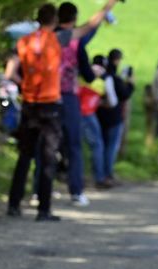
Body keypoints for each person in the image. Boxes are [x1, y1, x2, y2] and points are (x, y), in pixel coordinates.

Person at [53, 0, 118, 208]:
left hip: (45, 96)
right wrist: (109, 6)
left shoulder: (46, 36)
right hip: (69, 97)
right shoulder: (74, 40)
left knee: (45, 145)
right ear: (73, 19)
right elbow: (91, 25)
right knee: (74, 145)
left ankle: (39, 190)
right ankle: (76, 190)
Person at [7, 3, 64, 222]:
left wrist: (25, 86)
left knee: (25, 155)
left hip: (30, 104)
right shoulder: (58, 39)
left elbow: (10, 72)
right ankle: (44, 209)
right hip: (50, 105)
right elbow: (86, 28)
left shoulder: (23, 41)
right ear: (55, 20)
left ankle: (14, 204)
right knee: (48, 157)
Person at [95, 48, 133, 187]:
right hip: (113, 116)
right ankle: (107, 174)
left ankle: (100, 174)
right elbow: (120, 96)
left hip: (99, 116)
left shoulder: (97, 77)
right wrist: (130, 83)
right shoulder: (111, 78)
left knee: (101, 145)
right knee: (110, 147)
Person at [79, 54, 107, 187]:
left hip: (74, 113)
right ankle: (99, 177)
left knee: (76, 146)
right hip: (88, 114)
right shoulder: (100, 82)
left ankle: (78, 176)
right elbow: (108, 101)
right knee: (97, 145)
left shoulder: (80, 75)